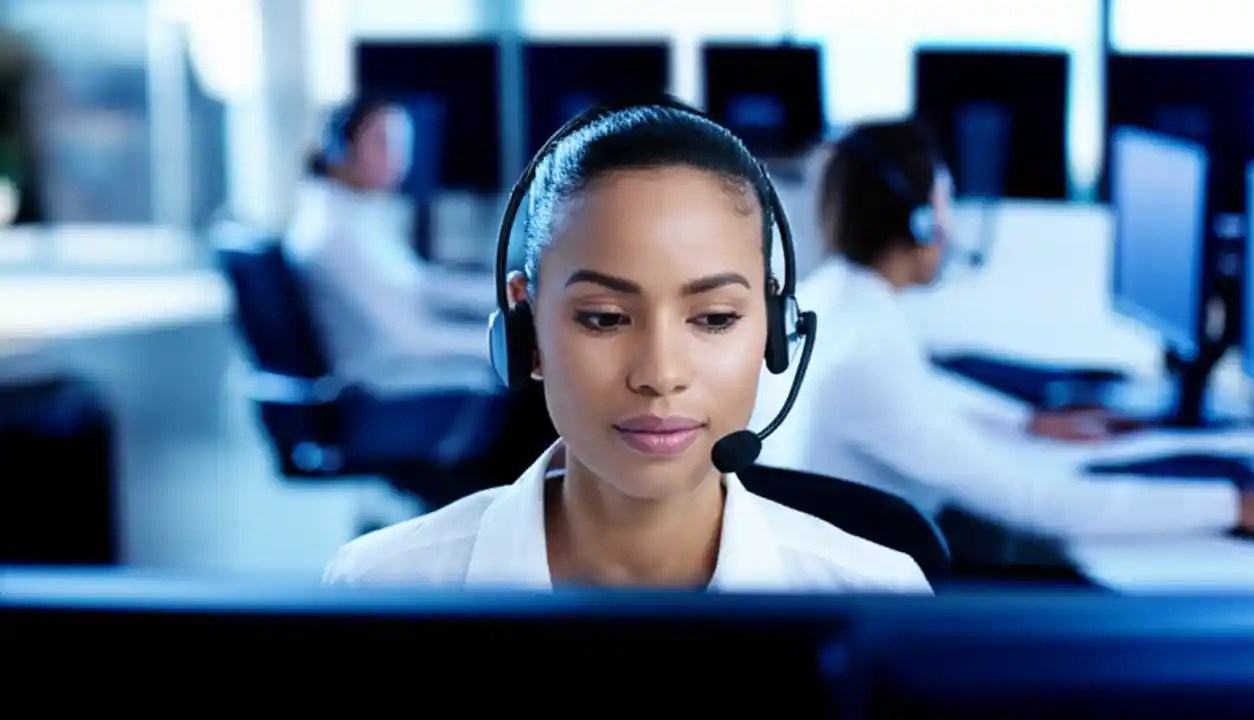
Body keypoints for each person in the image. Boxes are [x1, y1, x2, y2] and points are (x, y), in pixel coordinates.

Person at [322, 101, 931, 592]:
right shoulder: (379, 589)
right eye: (605, 319)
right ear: (526, 328)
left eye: (715, 318)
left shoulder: (876, 597)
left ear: (773, 327)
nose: (660, 374)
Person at [753, 119, 1254, 540]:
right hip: (866, 610)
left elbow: (932, 397)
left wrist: (1027, 422)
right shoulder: (865, 353)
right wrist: (1236, 505)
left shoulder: (835, 301)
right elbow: (1038, 501)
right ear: (922, 222)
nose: (950, 222)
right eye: (946, 200)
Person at [285, 97, 496, 395]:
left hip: (397, 369)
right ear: (341, 149)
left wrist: (508, 294)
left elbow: (418, 283)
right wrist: (501, 342)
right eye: (384, 144)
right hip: (385, 384)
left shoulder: (352, 214)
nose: (399, 160)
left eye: (402, 145)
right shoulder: (333, 234)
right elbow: (404, 339)